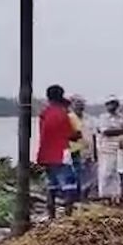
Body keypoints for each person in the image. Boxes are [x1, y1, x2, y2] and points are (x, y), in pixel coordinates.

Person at [36, 84, 78, 218]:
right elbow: (71, 135)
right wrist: (78, 135)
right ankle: (68, 216)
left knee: (51, 186)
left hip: (45, 154)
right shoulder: (62, 114)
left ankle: (51, 216)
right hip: (61, 153)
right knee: (69, 185)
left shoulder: (44, 114)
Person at [96, 96, 123, 202]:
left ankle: (116, 199)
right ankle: (104, 197)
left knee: (117, 175)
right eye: (109, 104)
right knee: (106, 174)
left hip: (120, 150)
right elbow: (105, 132)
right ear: (106, 106)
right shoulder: (103, 118)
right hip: (106, 150)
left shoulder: (122, 117)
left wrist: (118, 131)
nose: (112, 106)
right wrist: (121, 130)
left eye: (114, 103)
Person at [68, 95, 94, 199]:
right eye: (77, 103)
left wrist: (94, 153)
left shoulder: (89, 119)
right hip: (73, 151)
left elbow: (94, 136)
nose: (80, 106)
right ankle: (75, 198)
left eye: (81, 103)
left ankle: (84, 197)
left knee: (88, 176)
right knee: (74, 175)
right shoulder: (68, 118)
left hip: (88, 151)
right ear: (72, 104)